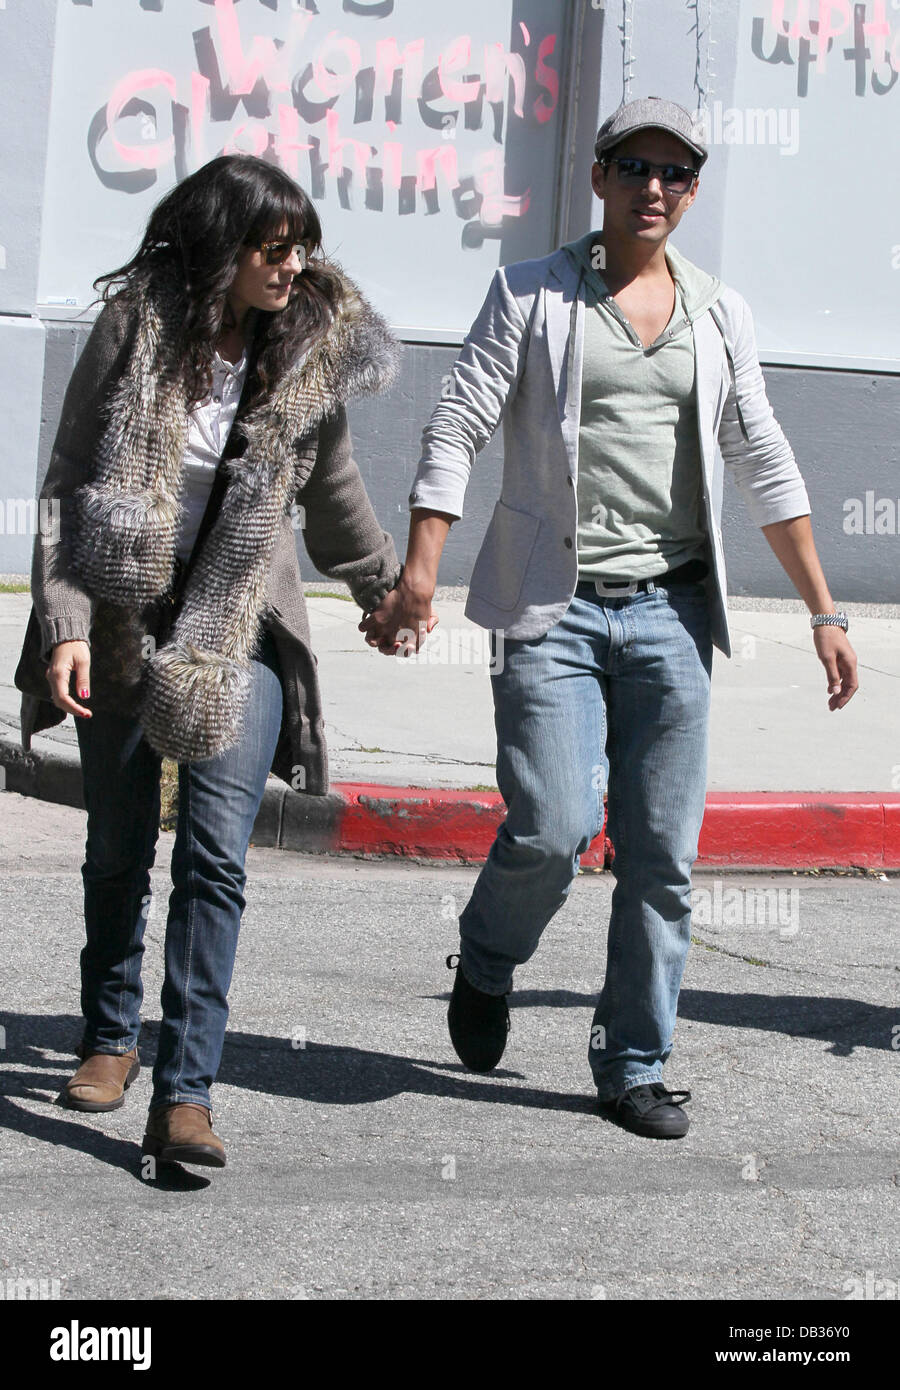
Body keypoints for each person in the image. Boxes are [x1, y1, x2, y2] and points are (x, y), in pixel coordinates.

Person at [360, 98, 859, 1140]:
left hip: (674, 613)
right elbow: (459, 417)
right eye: (636, 167)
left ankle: (631, 1059)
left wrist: (823, 607)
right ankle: (490, 958)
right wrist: (420, 570)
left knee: (663, 857)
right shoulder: (532, 294)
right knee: (551, 826)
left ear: (691, 192)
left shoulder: (719, 313)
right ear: (599, 178)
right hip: (554, 608)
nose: (655, 189)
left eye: (677, 174)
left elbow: (760, 452)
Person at [15, 154, 402, 1169]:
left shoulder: (307, 351)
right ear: (220, 249)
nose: (293, 266)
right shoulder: (135, 330)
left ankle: (188, 1092)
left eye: (301, 247)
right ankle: (109, 1033)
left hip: (242, 628)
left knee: (215, 857)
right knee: (118, 841)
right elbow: (67, 482)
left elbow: (337, 492)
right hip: (124, 614)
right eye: (274, 248)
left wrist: (384, 589)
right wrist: (61, 625)